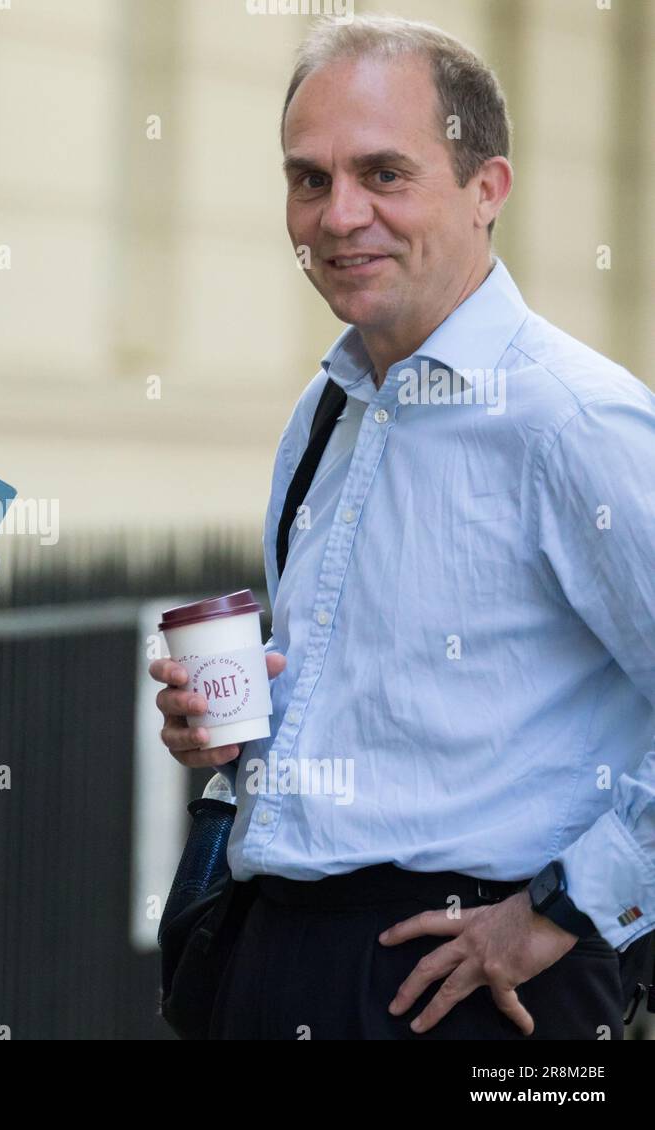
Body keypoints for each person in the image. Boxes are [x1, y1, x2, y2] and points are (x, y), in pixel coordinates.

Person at [150, 15, 655, 1039]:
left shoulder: (574, 421)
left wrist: (563, 910)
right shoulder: (326, 403)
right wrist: (225, 732)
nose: (339, 216)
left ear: (486, 189)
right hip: (273, 953)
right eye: (308, 178)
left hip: (473, 985)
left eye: (384, 172)